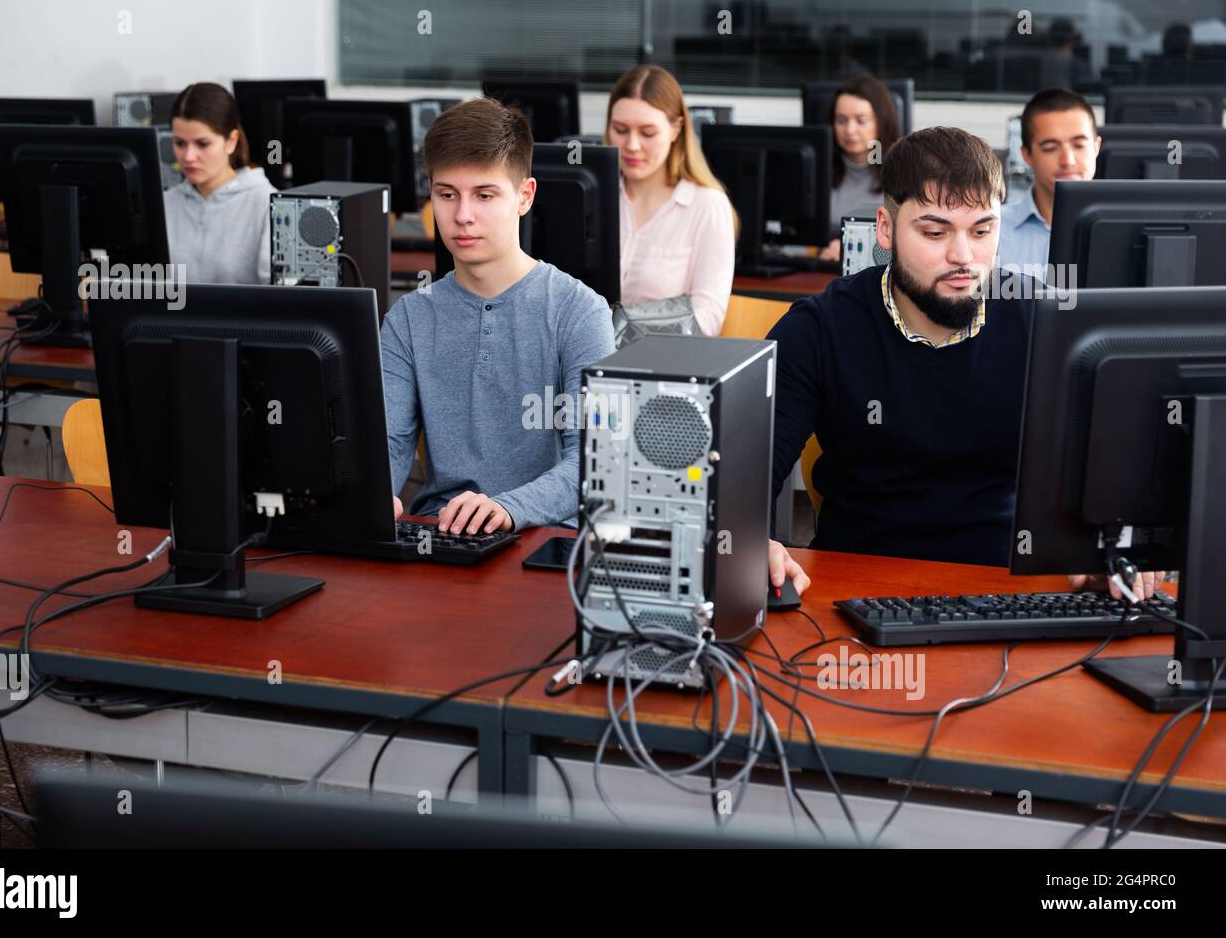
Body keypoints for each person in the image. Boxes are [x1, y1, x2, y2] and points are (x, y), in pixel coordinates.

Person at [764, 126, 1162, 602]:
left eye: (982, 230)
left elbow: (1109, 468)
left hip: (1007, 586)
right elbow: (747, 474)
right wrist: (750, 540)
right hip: (854, 585)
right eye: (935, 232)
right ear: (886, 229)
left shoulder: (1046, 321)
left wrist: (1108, 551)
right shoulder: (819, 328)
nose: (963, 257)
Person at [383, 98, 616, 535]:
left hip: (544, 537)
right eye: (446, 194)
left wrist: (508, 507)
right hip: (442, 534)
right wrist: (375, 496)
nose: (463, 216)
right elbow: (389, 445)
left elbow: (592, 460)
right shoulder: (408, 318)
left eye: (484, 195)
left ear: (524, 197)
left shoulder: (581, 312)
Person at [604, 65, 737, 336]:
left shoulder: (707, 206)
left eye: (648, 133)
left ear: (676, 129)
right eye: (620, 129)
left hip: (660, 362)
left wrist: (620, 333)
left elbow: (707, 317)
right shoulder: (594, 195)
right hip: (581, 359)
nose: (632, 145)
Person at [164, 82, 274, 285]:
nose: (188, 156)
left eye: (202, 144)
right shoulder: (165, 204)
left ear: (231, 141)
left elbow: (281, 302)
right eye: (180, 143)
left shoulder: (266, 205)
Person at [998, 88, 1101, 274]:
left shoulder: (1127, 231)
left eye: (1079, 145)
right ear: (1027, 155)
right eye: (1050, 148)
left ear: (1096, 147)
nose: (1068, 161)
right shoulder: (992, 230)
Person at [819, 76, 901, 265]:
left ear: (882, 123)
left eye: (861, 120)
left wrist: (849, 247)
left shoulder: (902, 175)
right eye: (841, 120)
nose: (849, 130)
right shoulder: (817, 174)